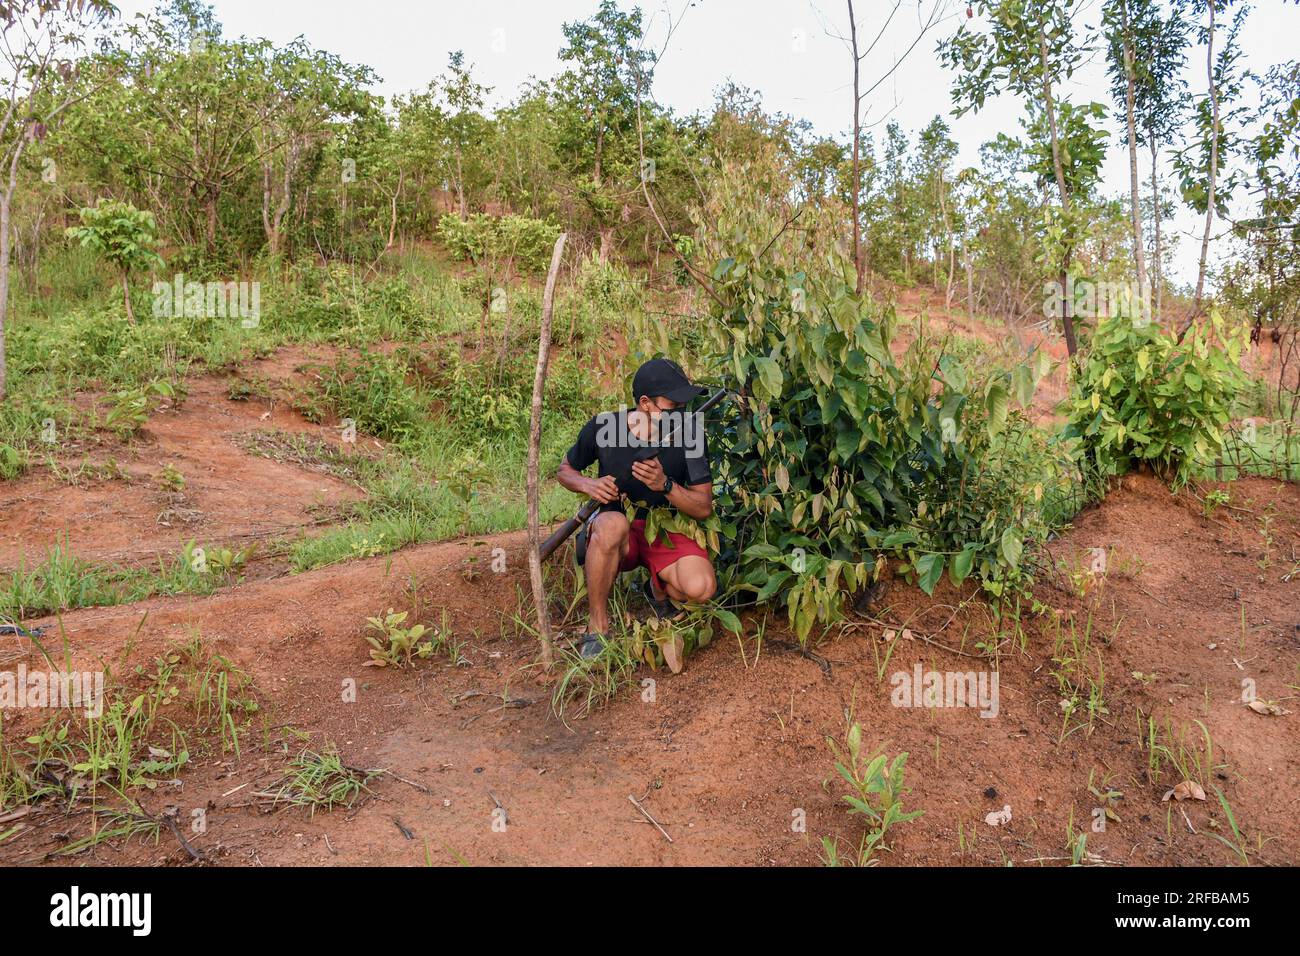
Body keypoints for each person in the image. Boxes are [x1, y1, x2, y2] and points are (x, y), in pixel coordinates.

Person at [556, 358, 717, 672]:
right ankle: (597, 627)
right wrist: (589, 485)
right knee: (612, 524)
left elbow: (703, 506)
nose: (682, 411)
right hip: (619, 530)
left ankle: (655, 588)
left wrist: (665, 485)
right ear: (646, 404)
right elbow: (565, 471)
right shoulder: (605, 428)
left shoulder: (691, 436)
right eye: (674, 404)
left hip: (666, 532)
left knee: (701, 588)